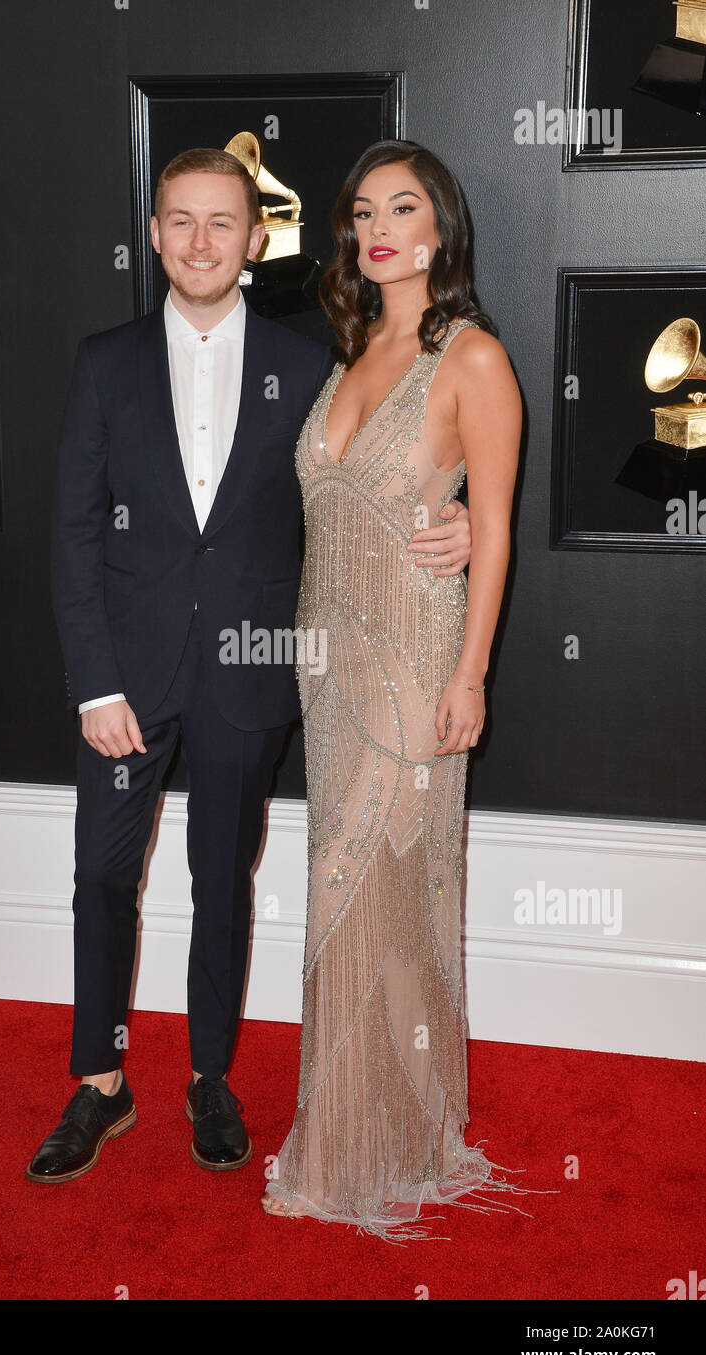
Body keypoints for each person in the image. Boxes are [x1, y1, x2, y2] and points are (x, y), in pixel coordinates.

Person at [27, 147, 473, 1184]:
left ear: (254, 239)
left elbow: (355, 485)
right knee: (102, 875)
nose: (199, 241)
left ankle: (208, 1078)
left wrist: (445, 522)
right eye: (178, 221)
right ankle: (100, 1080)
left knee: (219, 881)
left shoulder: (307, 364)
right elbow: (73, 534)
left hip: (247, 670)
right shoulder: (103, 361)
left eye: (221, 223)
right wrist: (93, 682)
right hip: (123, 683)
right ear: (152, 233)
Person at [261, 140, 527, 1239]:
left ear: (439, 227)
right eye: (361, 210)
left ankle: (368, 1146)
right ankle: (368, 1124)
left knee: (380, 890)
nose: (378, 226)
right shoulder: (352, 345)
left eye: (402, 206)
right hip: (327, 660)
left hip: (415, 658)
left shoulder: (470, 357)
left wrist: (470, 674)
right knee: (346, 882)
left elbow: (496, 525)